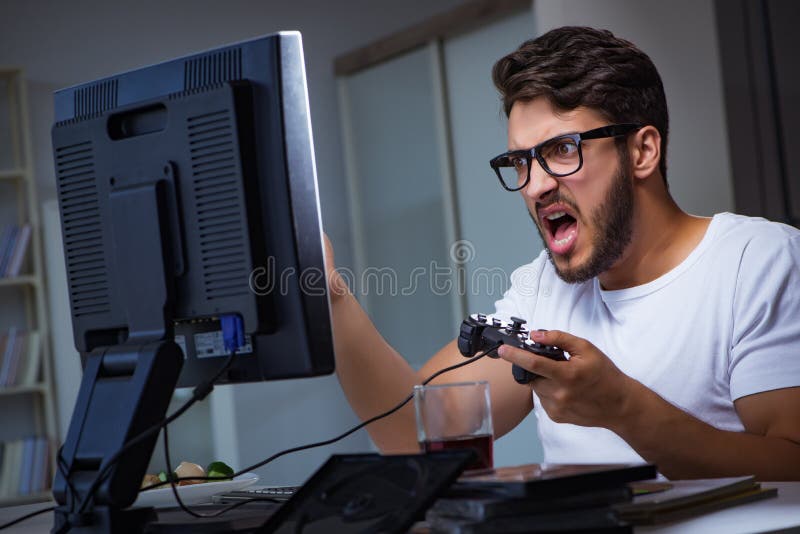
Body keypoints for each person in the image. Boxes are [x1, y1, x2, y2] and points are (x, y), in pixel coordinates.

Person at [325, 26, 800, 480]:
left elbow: (792, 466)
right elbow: (418, 428)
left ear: (642, 151)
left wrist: (623, 408)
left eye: (562, 149)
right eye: (520, 162)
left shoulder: (756, 262)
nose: (535, 185)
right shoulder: (541, 290)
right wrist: (333, 297)